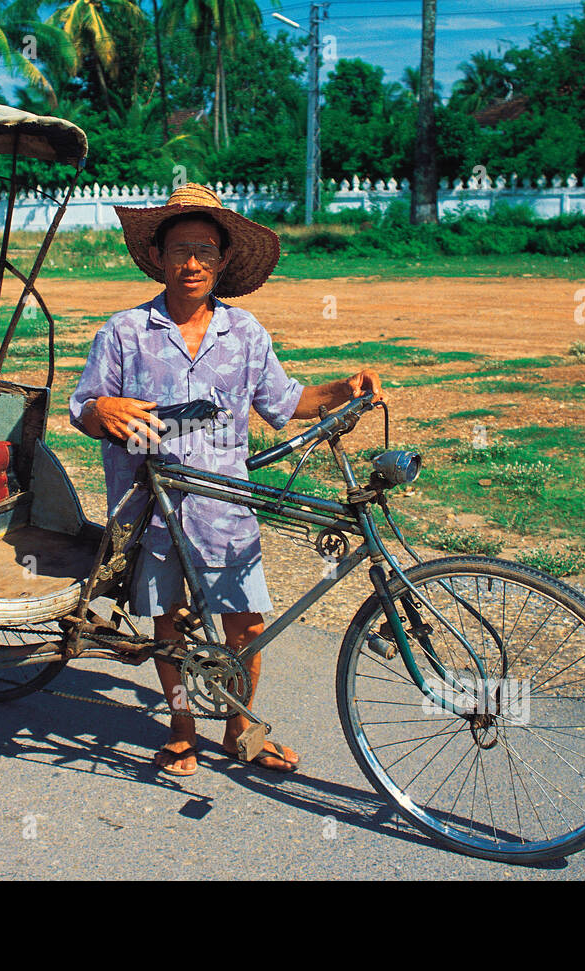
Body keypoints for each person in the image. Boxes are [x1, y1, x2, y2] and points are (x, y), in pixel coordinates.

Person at [69, 183, 383, 776]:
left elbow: (286, 402)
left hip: (226, 505)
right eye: (181, 249)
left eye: (206, 251)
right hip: (152, 507)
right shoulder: (124, 332)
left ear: (223, 261)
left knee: (246, 623)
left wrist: (344, 389)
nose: (192, 263)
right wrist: (99, 411)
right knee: (171, 624)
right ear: (158, 256)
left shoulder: (245, 333)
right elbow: (84, 405)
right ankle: (181, 726)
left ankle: (241, 727)